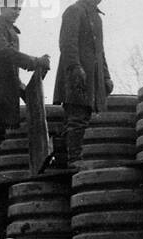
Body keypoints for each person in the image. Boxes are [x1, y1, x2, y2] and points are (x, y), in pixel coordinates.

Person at [0, 0, 50, 183]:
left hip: (3, 90)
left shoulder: (12, 33)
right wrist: (35, 62)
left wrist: (26, 92)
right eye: (13, 8)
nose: (17, 12)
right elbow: (6, 53)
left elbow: (12, 68)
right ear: (3, 8)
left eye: (19, 9)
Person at [53, 0, 113, 170]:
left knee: (83, 116)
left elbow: (100, 51)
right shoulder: (74, 11)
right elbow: (67, 44)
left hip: (91, 76)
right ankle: (73, 159)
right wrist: (75, 68)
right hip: (76, 74)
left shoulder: (96, 17)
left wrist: (106, 76)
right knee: (76, 116)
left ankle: (71, 158)